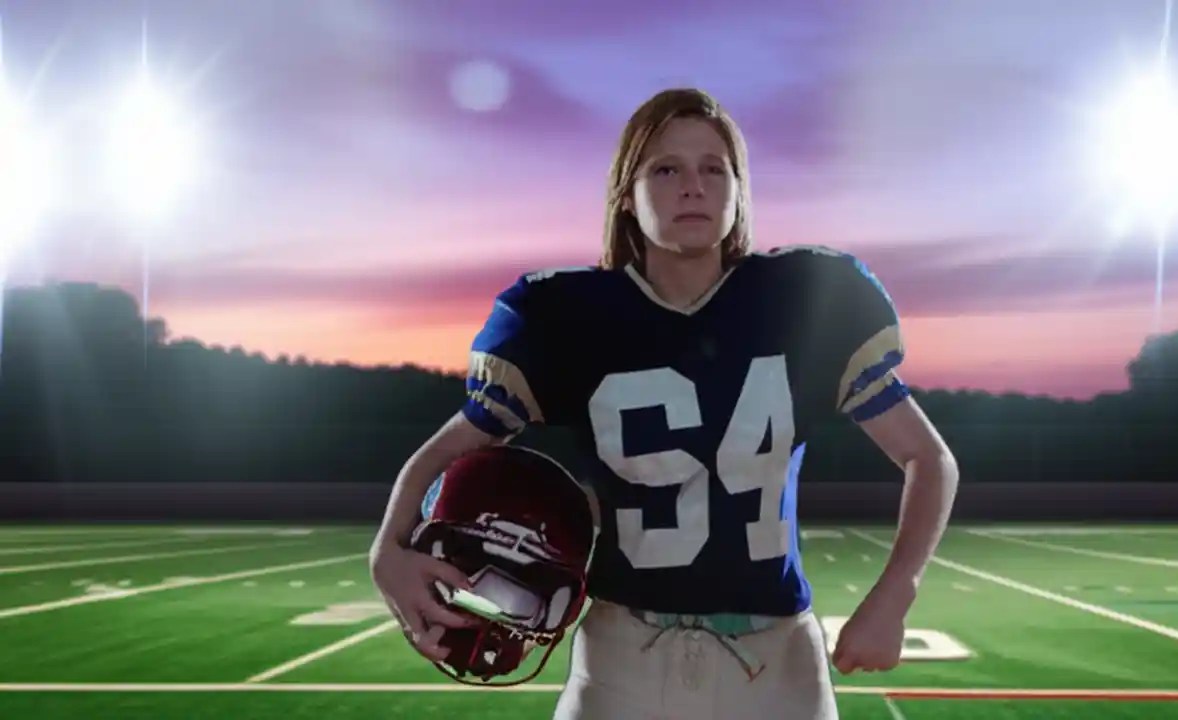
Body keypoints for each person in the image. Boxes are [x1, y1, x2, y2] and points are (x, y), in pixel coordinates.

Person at [370, 87, 960, 719]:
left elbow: (930, 460)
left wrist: (894, 596)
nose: (693, 187)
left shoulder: (804, 301)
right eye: (666, 169)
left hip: (777, 661)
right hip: (623, 657)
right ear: (627, 193)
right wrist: (387, 551)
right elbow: (451, 448)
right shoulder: (567, 318)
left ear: (738, 190)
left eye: (714, 168)